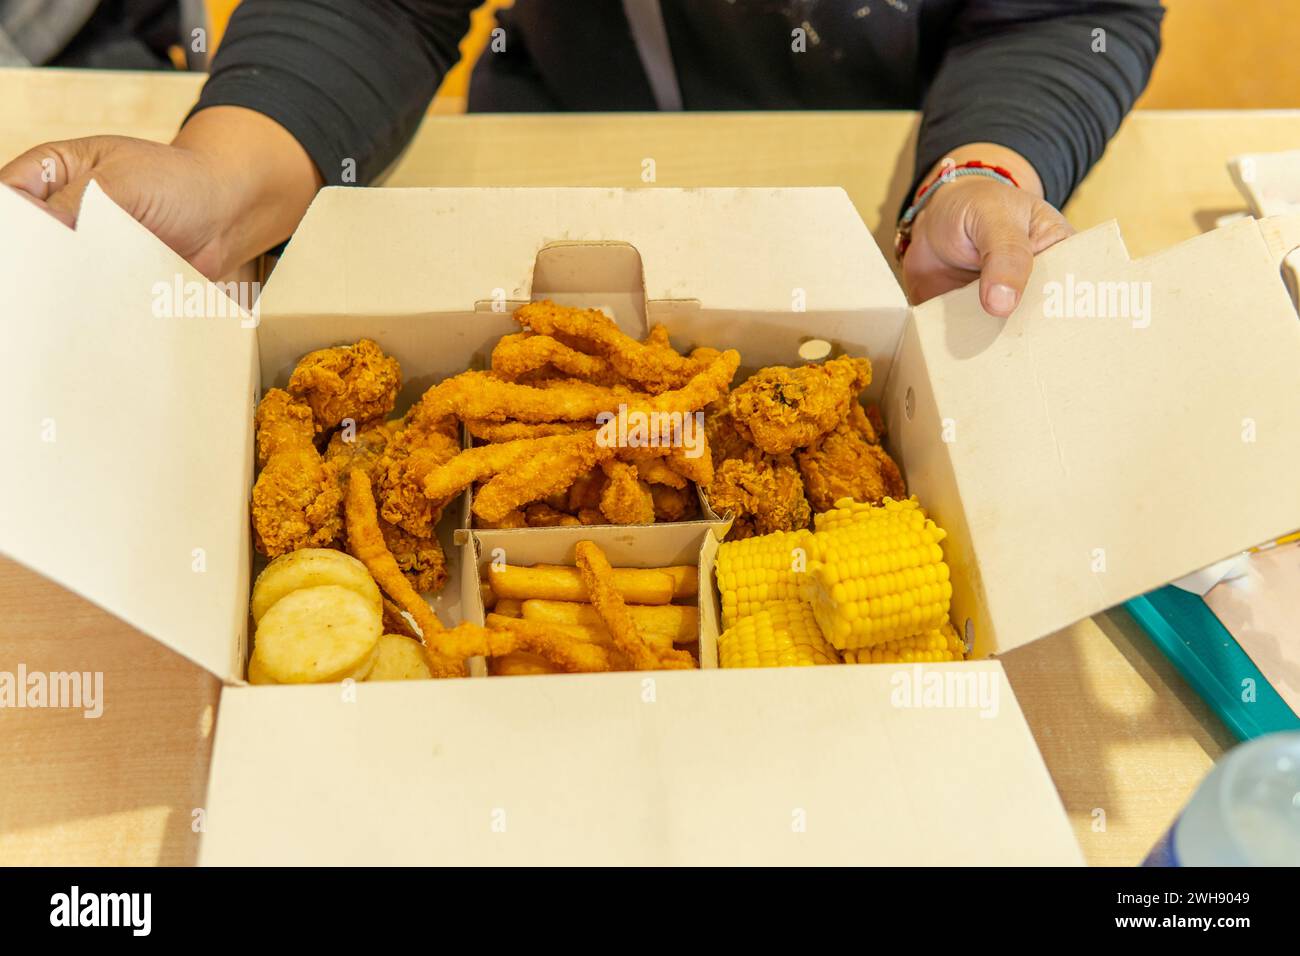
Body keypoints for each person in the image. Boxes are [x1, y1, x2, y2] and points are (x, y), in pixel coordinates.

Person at [0, 0, 1163, 317]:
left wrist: (984, 172)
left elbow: (1061, 13)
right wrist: (217, 186)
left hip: (886, 176)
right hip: (552, 151)